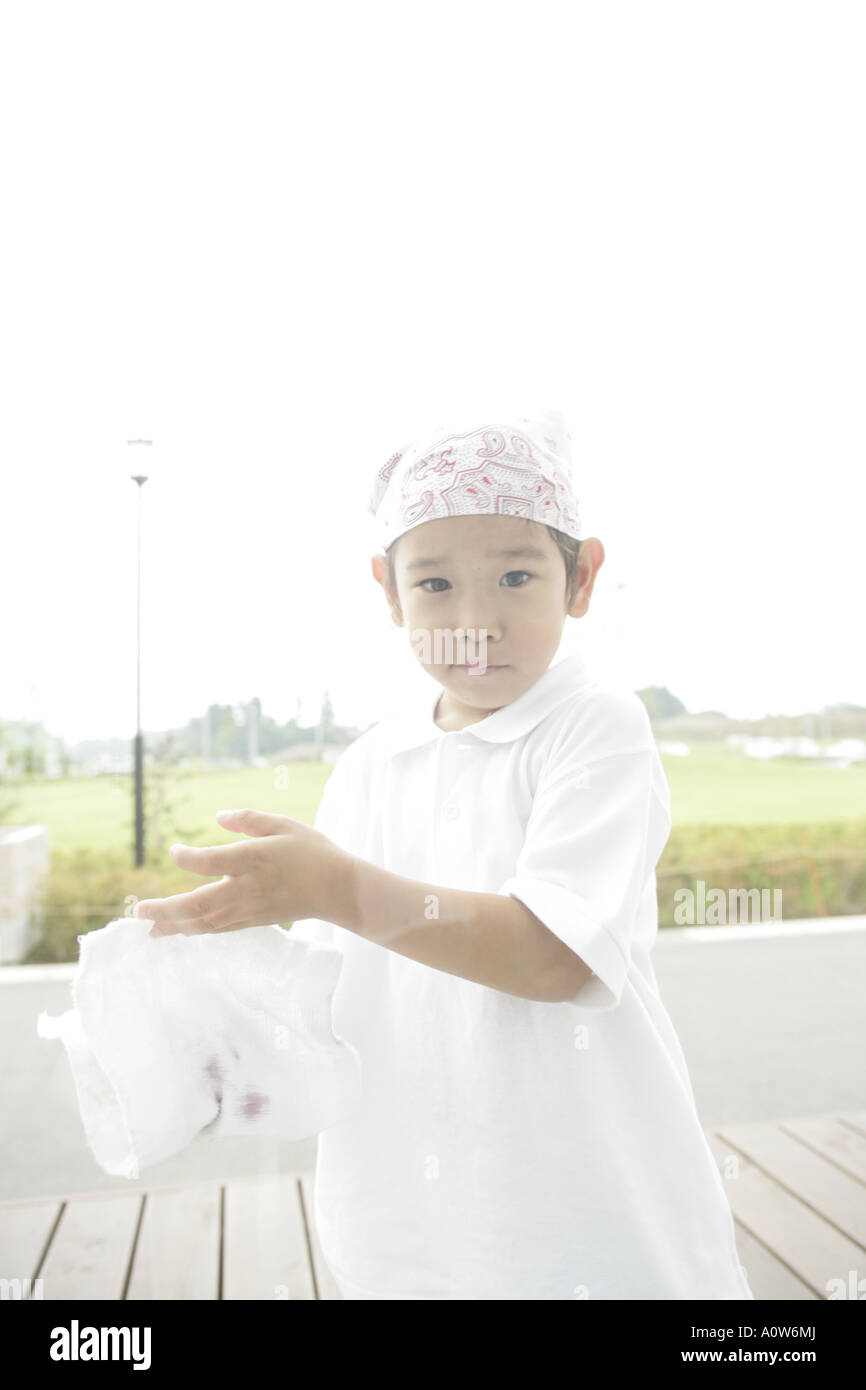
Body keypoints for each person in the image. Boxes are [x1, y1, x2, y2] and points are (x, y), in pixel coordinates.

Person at [136, 409, 754, 1301]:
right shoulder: (369, 765)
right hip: (405, 1219)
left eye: (514, 575)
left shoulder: (593, 728)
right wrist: (209, 1002)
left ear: (581, 578)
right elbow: (337, 981)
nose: (476, 622)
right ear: (388, 593)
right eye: (433, 586)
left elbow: (551, 954)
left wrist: (336, 887)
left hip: (585, 1214)